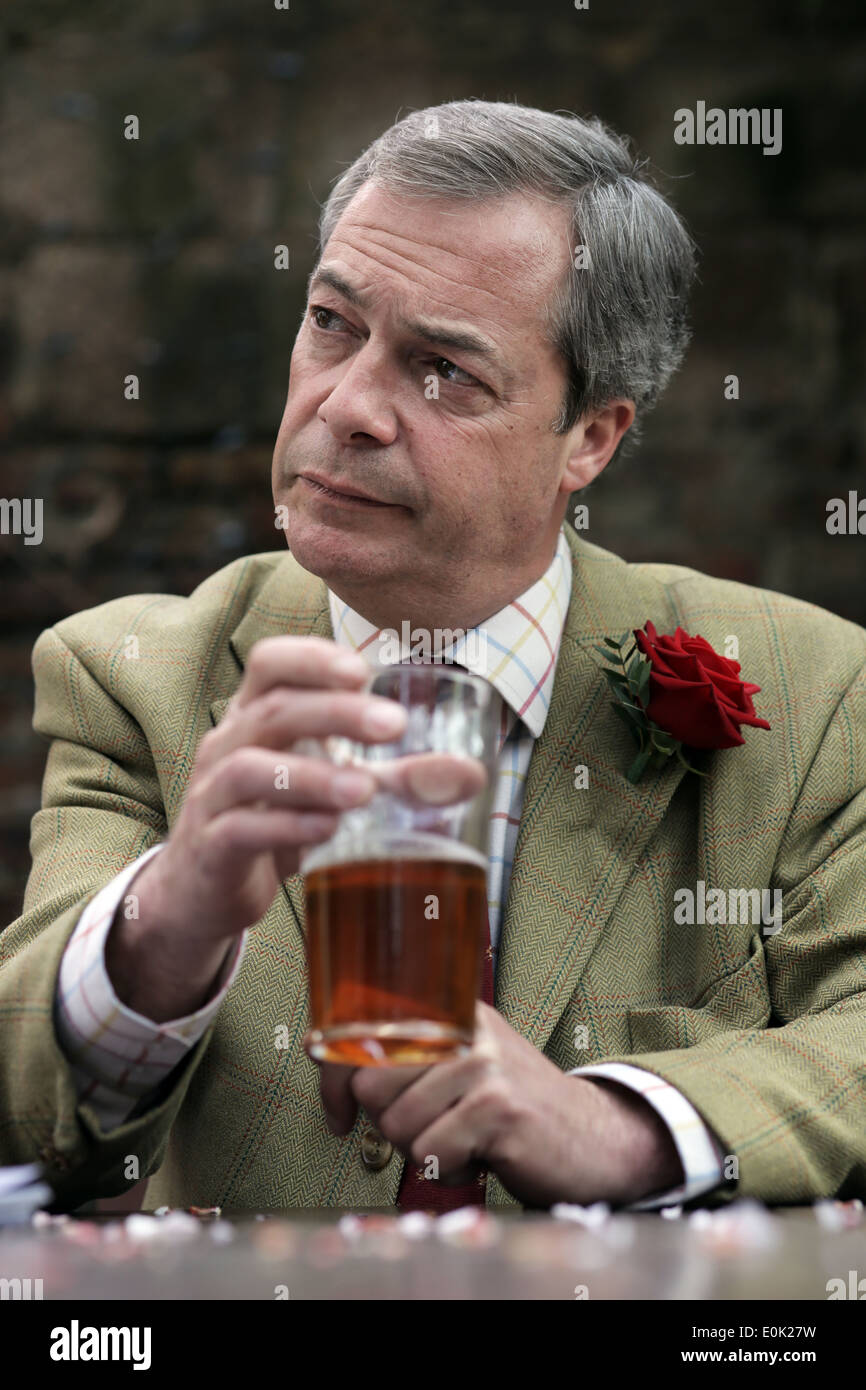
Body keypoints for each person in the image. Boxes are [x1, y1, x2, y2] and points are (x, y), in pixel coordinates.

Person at [3, 100, 865, 1214]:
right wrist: (163, 925)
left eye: (443, 371)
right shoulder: (128, 677)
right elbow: (27, 1115)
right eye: (330, 322)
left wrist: (616, 1123)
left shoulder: (810, 692)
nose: (348, 404)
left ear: (588, 439)